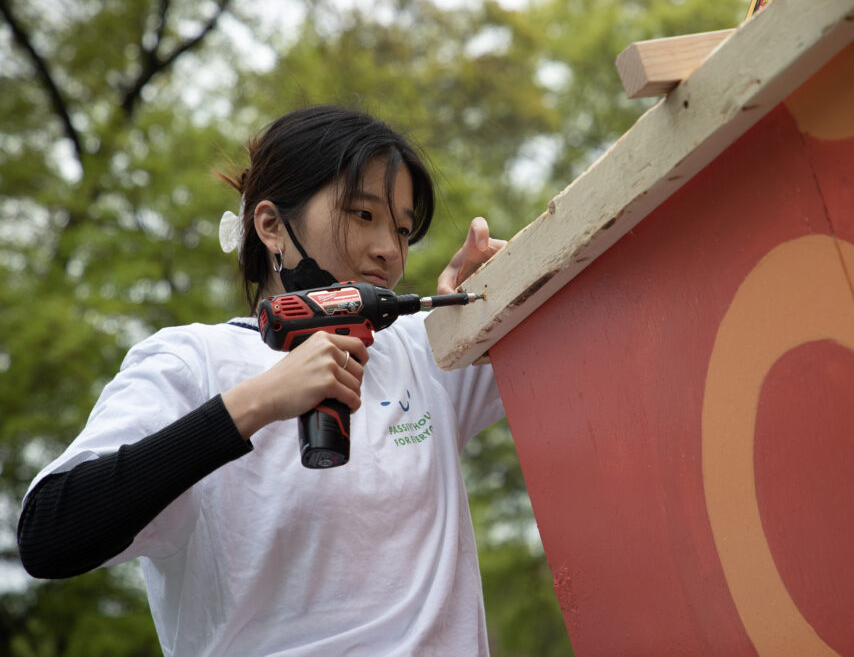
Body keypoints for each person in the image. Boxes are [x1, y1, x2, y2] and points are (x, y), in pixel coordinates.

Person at [17, 105, 508, 655]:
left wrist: (503, 291)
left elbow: (592, 310)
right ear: (271, 225)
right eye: (363, 215)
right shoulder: (191, 361)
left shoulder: (425, 346)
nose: (389, 250)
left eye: (401, 227)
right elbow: (47, 535)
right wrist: (259, 402)